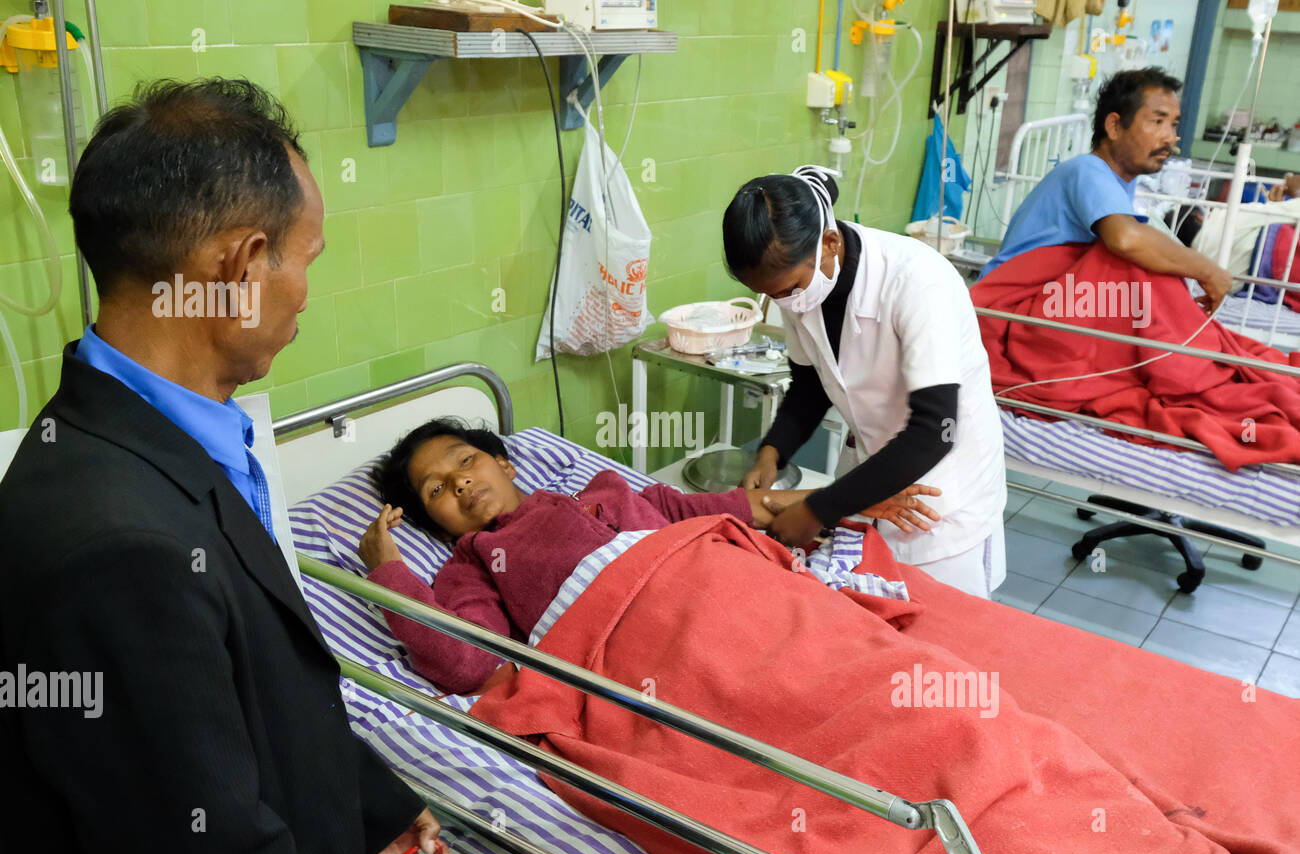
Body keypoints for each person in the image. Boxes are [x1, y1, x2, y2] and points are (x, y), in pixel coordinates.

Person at [0, 78, 448, 854]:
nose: (306, 295)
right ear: (241, 265)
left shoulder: (177, 436)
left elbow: (254, 697)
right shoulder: (122, 553)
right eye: (305, 259)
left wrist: (368, 804)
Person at [356, 418, 942, 695]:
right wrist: (387, 570)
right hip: (663, 648)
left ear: (504, 463)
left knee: (874, 665)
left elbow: (746, 508)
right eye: (434, 491)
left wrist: (853, 497)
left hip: (736, 589)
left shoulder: (608, 492)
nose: (456, 484)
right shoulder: (473, 564)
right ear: (435, 521)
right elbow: (465, 663)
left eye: (464, 461)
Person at [722, 166, 1008, 599]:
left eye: (787, 291)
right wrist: (771, 454)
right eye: (772, 295)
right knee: (869, 621)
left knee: (944, 637)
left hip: (941, 493)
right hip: (872, 468)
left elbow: (934, 432)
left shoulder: (917, 282)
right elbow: (811, 386)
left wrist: (816, 510)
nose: (782, 303)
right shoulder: (800, 280)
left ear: (830, 243)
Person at [980, 67, 1234, 315]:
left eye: (1173, 125)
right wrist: (1206, 270)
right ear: (1114, 126)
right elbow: (1126, 239)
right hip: (1009, 305)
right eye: (1157, 121)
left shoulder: (1122, 181)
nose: (1170, 137)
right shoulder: (1088, 170)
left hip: (1052, 299)